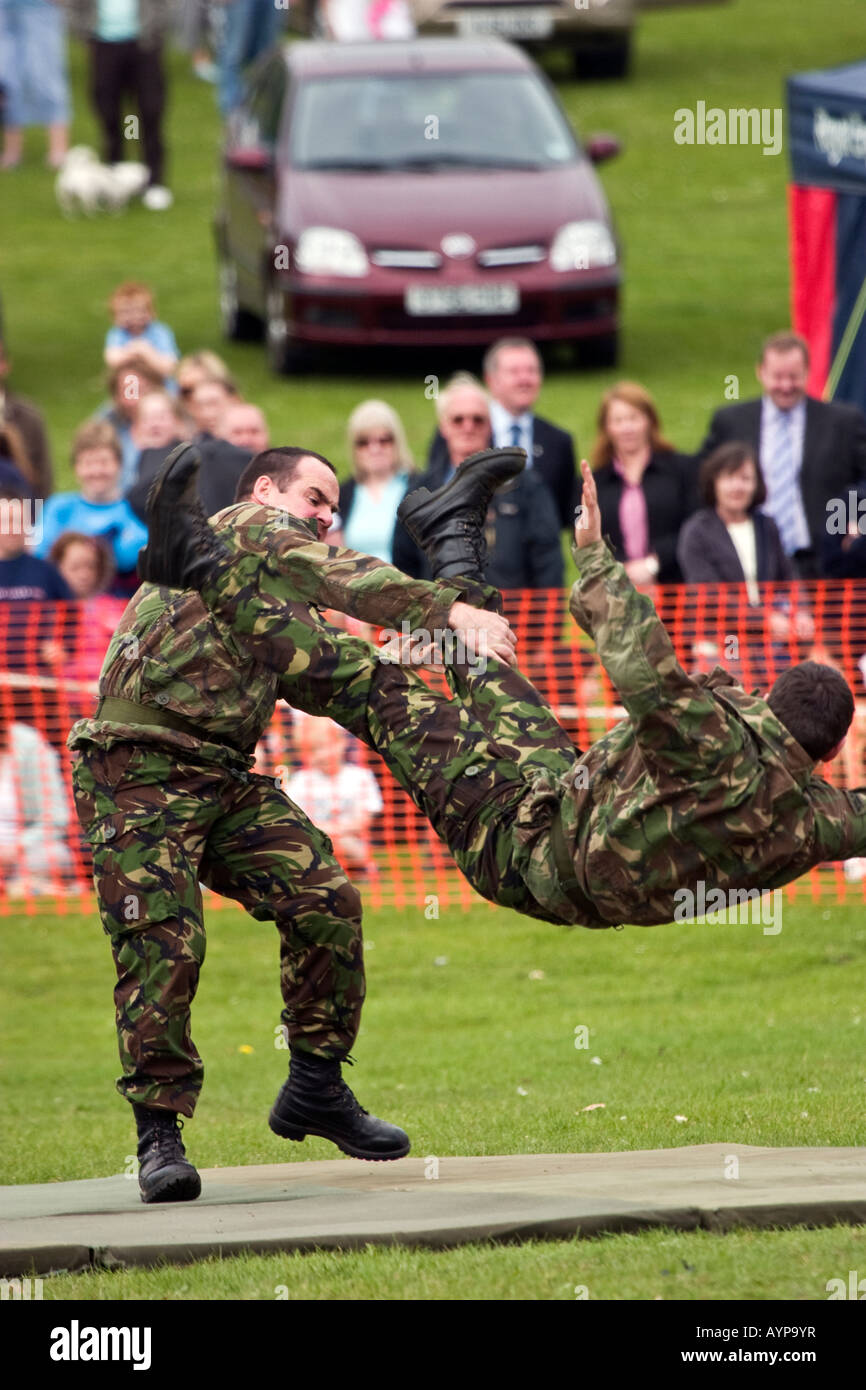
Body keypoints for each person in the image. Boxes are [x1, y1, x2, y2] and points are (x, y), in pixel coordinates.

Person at [153, 445, 866, 950]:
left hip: (526, 852)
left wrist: (592, 552)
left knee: (388, 694)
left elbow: (644, 670)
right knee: (494, 671)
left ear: (771, 701)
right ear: (831, 753)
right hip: (569, 810)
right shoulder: (817, 819)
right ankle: (453, 535)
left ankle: (223, 570)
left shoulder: (714, 742)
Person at [67, 441, 518, 1202]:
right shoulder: (244, 526)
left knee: (326, 898)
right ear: (267, 491)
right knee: (166, 942)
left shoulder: (266, 597)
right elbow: (343, 574)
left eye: (335, 508)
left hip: (218, 775)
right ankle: (159, 1135)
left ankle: (314, 1084)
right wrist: (452, 609)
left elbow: (325, 677)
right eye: (314, 499)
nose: (325, 518)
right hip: (134, 766)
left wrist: (400, 663)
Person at [697, 331, 866, 579]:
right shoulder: (731, 421)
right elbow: (702, 480)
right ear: (761, 372)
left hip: (824, 564)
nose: (786, 386)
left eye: (794, 377)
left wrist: (853, 517)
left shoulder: (844, 421)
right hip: (750, 564)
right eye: (777, 377)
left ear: (808, 372)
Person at [396, 375, 562, 590]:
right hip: (440, 618)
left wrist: (546, 618)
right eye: (458, 419)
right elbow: (403, 564)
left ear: (490, 425)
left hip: (514, 617)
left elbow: (548, 561)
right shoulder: (421, 491)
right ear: (444, 426)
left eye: (478, 419)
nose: (468, 426)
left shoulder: (526, 485)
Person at [677, 442, 814, 683]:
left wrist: (801, 610)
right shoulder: (696, 531)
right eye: (729, 478)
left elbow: (789, 575)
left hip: (766, 647)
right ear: (714, 482)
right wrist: (763, 619)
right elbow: (708, 595)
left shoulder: (766, 525)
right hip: (718, 644)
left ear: (756, 484)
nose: (737, 487)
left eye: (745, 478)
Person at [426, 339, 577, 531]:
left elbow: (565, 515)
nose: (525, 379)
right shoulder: (463, 431)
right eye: (514, 372)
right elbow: (435, 487)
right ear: (491, 380)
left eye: (532, 371)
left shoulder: (559, 442)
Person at [578, 381, 696, 585]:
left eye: (634, 418)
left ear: (649, 421)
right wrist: (620, 570)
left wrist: (653, 564)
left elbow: (695, 525)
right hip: (615, 593)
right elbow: (584, 539)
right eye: (618, 420)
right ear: (607, 427)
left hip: (676, 587)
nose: (627, 428)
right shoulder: (594, 481)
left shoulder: (681, 469)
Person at [65, 0, 174, 210]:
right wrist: (85, 33)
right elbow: (74, 7)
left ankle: (153, 180)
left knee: (147, 111)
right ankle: (114, 177)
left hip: (143, 44)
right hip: (104, 45)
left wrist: (154, 27)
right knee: (110, 112)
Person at [35, 420, 148, 590]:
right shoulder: (59, 507)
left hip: (122, 605)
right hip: (66, 604)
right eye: (88, 463)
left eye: (103, 462)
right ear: (76, 467)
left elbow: (128, 559)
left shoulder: (136, 509)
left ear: (119, 464)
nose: (96, 471)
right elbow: (41, 553)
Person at [285, 716, 383, 879]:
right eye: (313, 750)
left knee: (343, 843)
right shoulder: (300, 781)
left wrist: (333, 832)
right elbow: (296, 820)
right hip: (314, 842)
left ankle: (359, 869)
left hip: (350, 844)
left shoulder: (360, 777)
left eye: (325, 747)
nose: (321, 755)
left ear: (341, 743)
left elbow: (364, 820)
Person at [0, 712, 72, 896]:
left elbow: (56, 816)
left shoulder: (29, 743)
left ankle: (22, 886)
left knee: (55, 856)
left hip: (25, 853)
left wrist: (16, 847)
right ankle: (22, 888)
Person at [340, 400, 413, 566]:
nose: (374, 449)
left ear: (397, 442)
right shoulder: (342, 494)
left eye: (384, 440)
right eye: (363, 442)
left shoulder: (420, 488)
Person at [0, 0, 69, 169]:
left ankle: (59, 152)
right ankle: (11, 152)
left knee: (46, 75)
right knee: (5, 80)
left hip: (40, 6)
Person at [0, 335, 54, 498]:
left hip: (22, 517)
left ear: (4, 366)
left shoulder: (28, 417)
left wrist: (36, 523)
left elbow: (43, 486)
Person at [103, 282, 180, 381]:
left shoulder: (160, 332)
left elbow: (169, 367)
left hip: (161, 388)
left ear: (151, 312)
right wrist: (136, 350)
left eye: (138, 310)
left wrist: (146, 352)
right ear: (114, 317)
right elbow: (113, 360)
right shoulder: (117, 334)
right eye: (125, 312)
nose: (133, 317)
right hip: (130, 387)